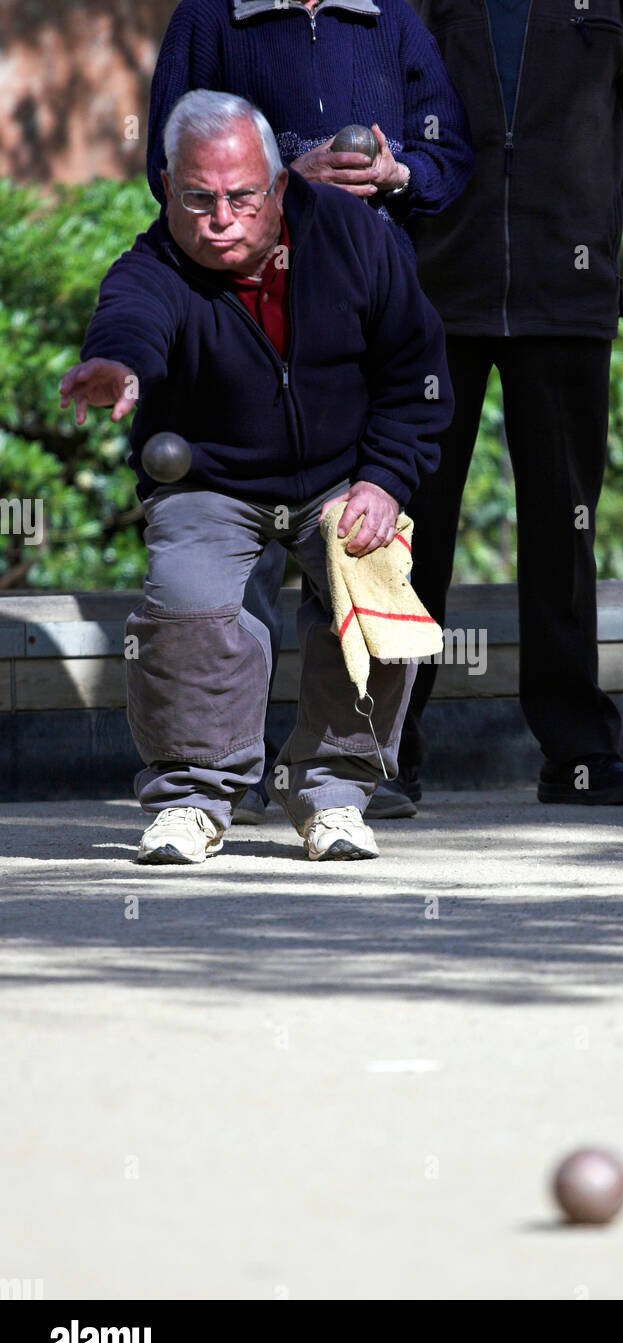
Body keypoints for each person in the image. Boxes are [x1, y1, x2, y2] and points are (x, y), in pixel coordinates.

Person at [60, 91, 451, 864]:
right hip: (212, 482)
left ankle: (334, 794)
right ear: (170, 190)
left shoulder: (350, 237)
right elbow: (130, 320)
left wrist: (383, 480)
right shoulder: (153, 268)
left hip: (343, 476)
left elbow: (417, 373)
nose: (221, 219)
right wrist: (116, 363)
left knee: (379, 586)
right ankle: (193, 798)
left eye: (242, 197)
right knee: (189, 606)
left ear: (277, 186)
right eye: (199, 198)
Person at [145, 0, 473, 823]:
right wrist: (287, 175)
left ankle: (340, 786)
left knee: (365, 563)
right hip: (237, 321)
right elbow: (165, 162)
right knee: (229, 583)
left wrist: (396, 175)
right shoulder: (209, 20)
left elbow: (450, 158)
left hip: (357, 322)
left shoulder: (391, 19)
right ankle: (226, 779)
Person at [394, 0, 623, 809]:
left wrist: (586, 221)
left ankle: (578, 753)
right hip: (438, 289)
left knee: (564, 525)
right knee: (414, 524)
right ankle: (385, 747)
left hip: (565, 289)